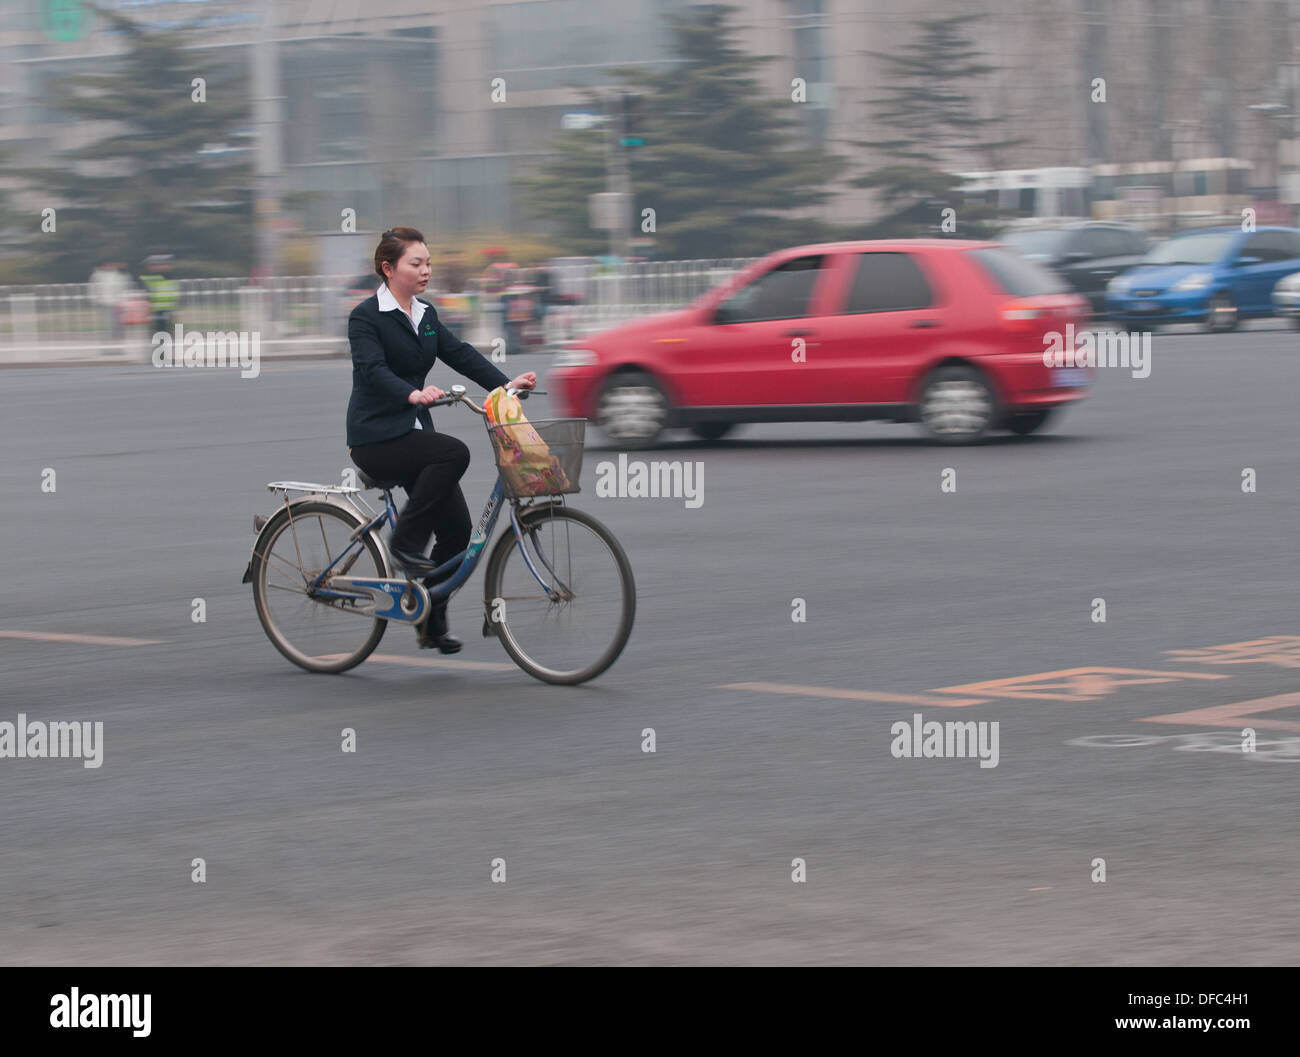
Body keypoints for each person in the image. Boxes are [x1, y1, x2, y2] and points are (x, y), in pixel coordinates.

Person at [346, 226, 536, 653]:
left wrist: (506, 385)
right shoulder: (365, 317)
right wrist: (411, 393)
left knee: (458, 533)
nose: (426, 270)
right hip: (375, 437)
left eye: (428, 263)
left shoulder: (425, 315)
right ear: (388, 268)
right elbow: (373, 370)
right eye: (416, 263)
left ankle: (430, 620)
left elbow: (460, 353)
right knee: (454, 452)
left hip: (412, 436)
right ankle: (404, 544)